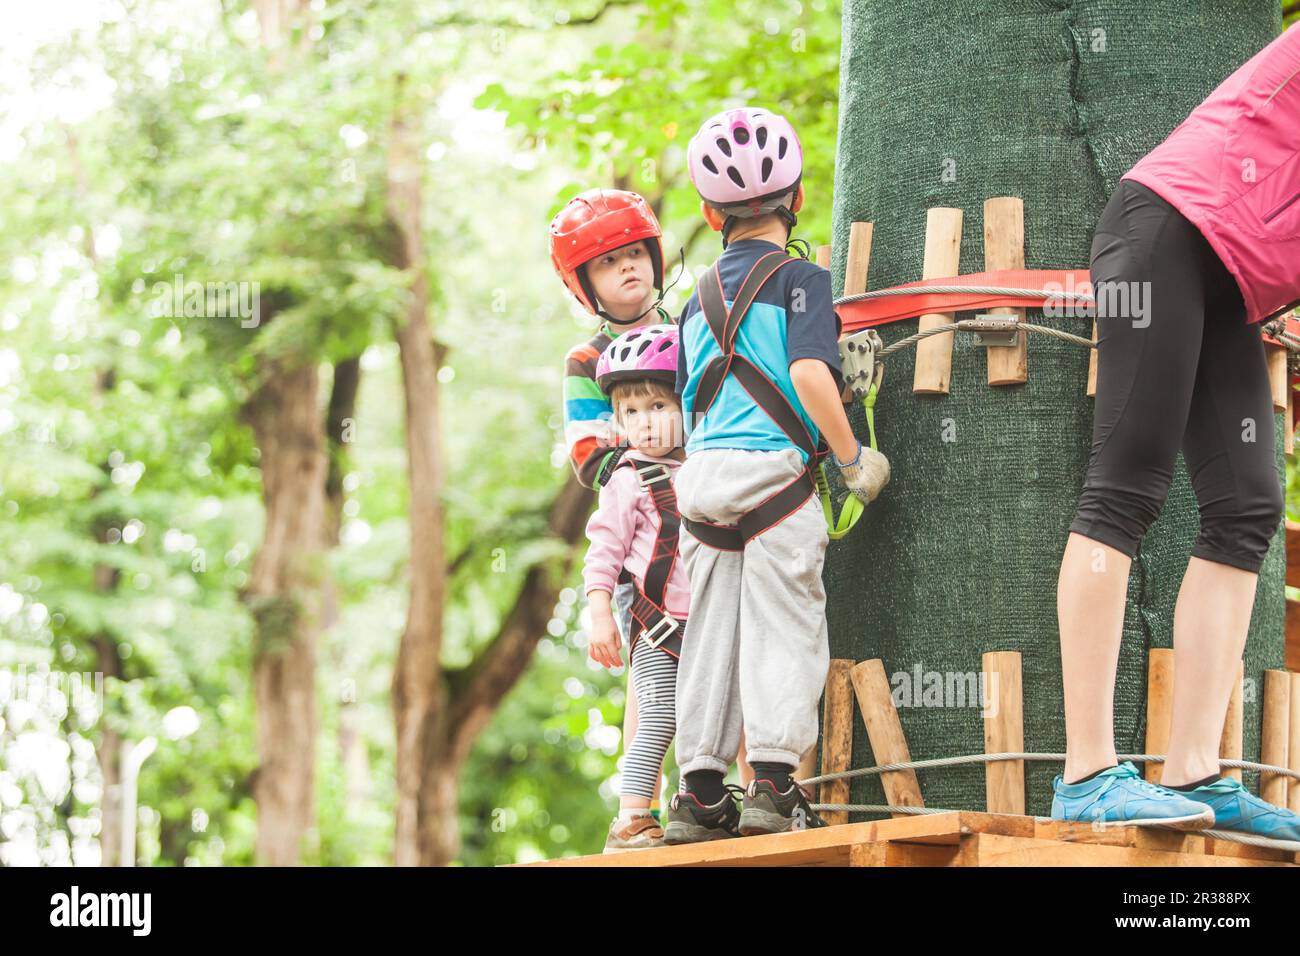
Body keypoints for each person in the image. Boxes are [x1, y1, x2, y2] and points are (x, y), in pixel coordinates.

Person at [1053, 23, 1300, 841]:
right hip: (1166, 232)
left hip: (1232, 278)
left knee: (1249, 506)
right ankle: (1086, 772)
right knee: (1127, 486)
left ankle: (1196, 767)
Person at [664, 106, 890, 844]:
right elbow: (807, 375)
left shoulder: (693, 301)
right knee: (783, 629)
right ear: (797, 199)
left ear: (708, 212)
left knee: (711, 636)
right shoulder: (803, 281)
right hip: (774, 484)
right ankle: (772, 785)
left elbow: (694, 394)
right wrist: (854, 459)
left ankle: (699, 793)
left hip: (702, 488)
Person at [551, 188, 675, 824]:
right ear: (586, 286)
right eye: (607, 262)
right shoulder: (586, 359)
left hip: (705, 522)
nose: (627, 267)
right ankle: (637, 810)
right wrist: (652, 456)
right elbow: (590, 453)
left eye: (634, 253)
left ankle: (727, 793)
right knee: (651, 678)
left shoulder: (689, 333)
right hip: (639, 543)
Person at [583, 325, 689, 851]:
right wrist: (601, 614)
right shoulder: (628, 478)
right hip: (656, 627)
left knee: (707, 720)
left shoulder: (702, 467)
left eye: (657, 406)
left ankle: (697, 807)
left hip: (706, 626)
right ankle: (630, 818)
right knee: (659, 715)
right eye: (630, 413)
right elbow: (603, 552)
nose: (644, 424)